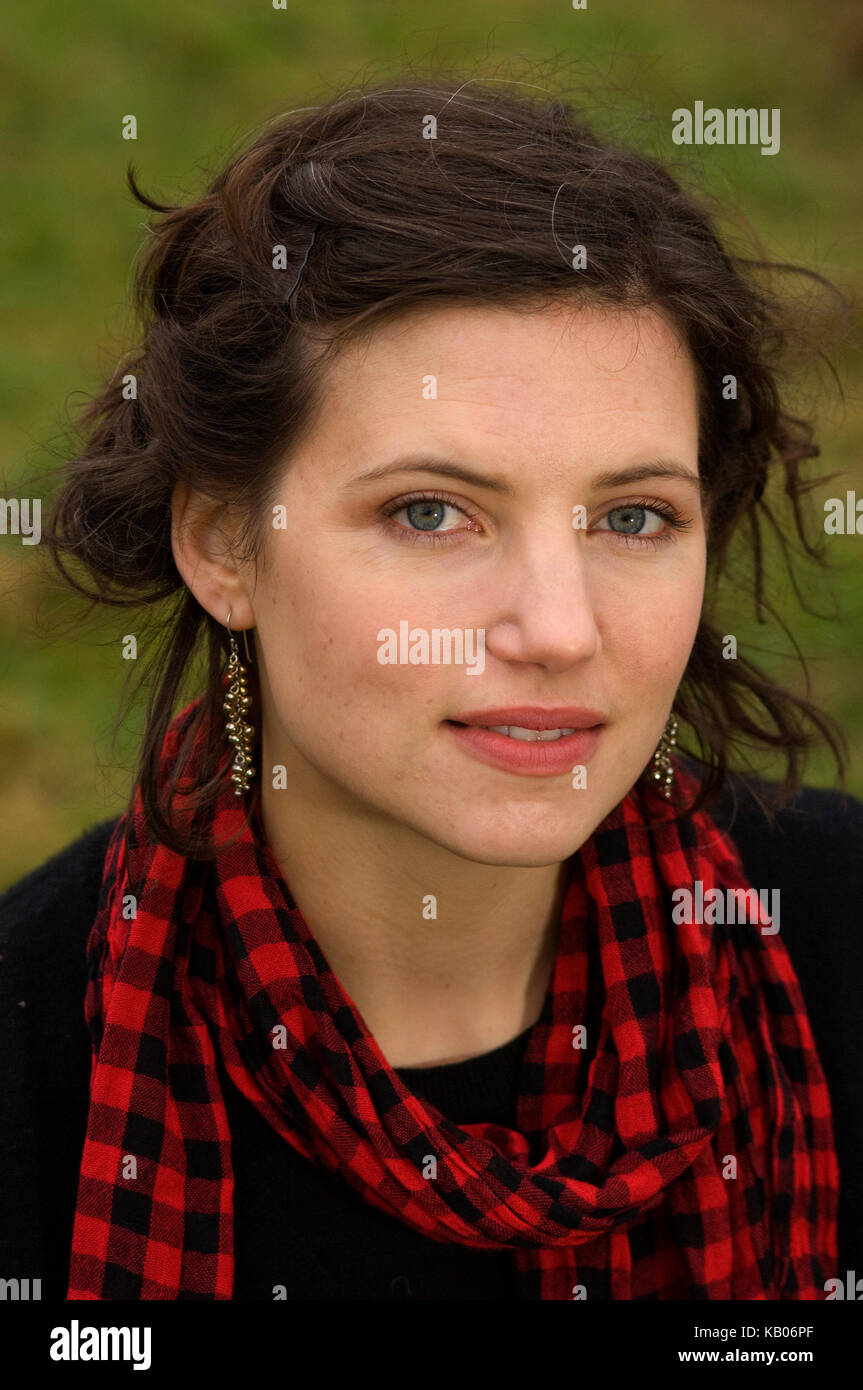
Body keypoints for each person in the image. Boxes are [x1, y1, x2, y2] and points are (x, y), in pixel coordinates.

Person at [1, 76, 861, 1302]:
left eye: (630, 516)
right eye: (429, 512)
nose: (558, 629)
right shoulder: (36, 1057)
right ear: (221, 544)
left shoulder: (829, 940)